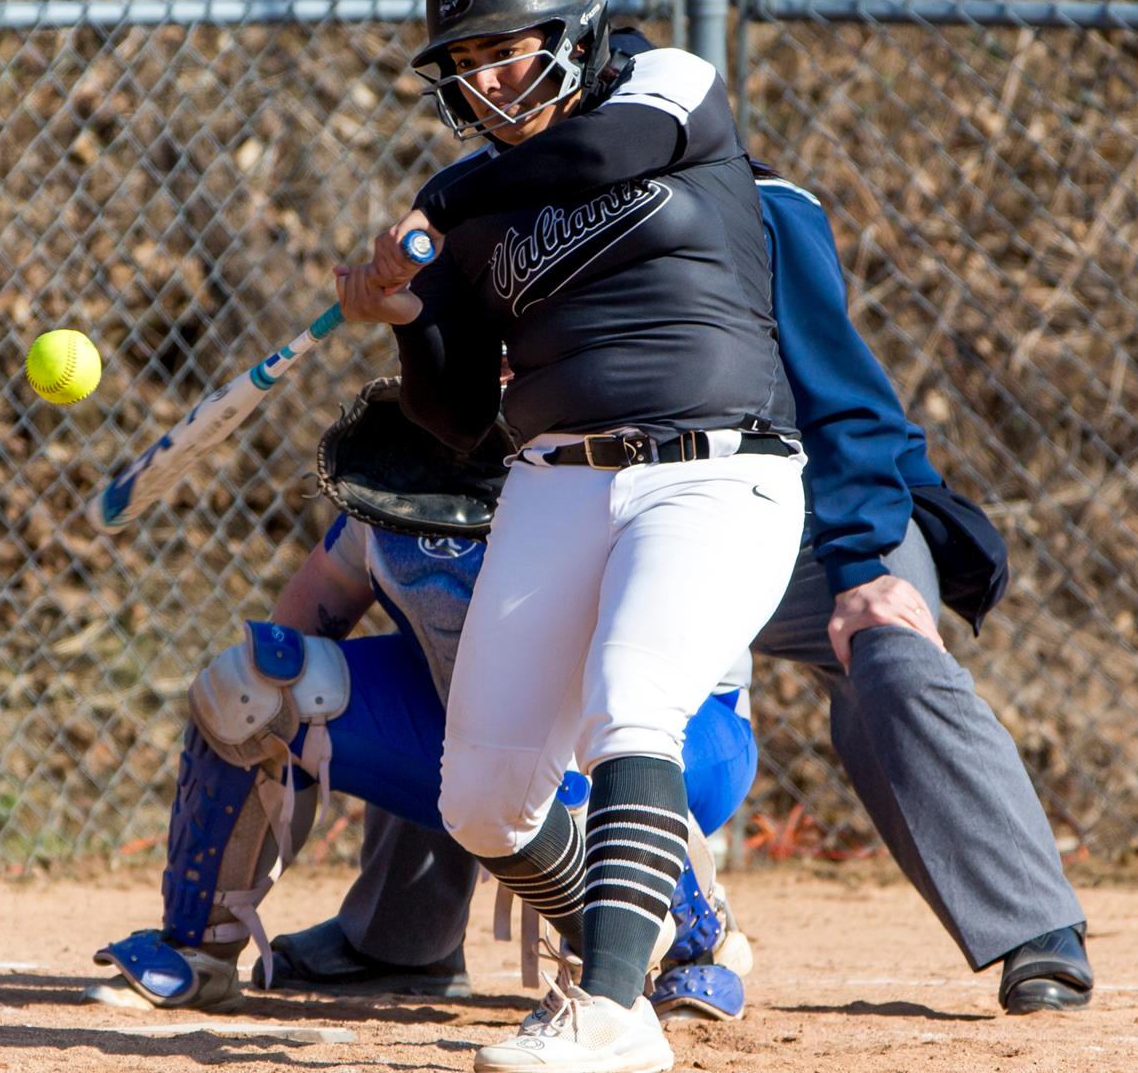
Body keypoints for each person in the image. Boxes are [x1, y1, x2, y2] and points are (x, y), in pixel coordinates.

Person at [264, 168, 1095, 1018]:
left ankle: (1034, 927)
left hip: (805, 507)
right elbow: (466, 394)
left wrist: (860, 567)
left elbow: (844, 397)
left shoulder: (757, 202)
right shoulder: (513, 207)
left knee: (886, 642)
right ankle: (399, 936)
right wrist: (414, 312)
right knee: (464, 618)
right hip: (609, 507)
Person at [336, 0, 814, 1071]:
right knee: (483, 797)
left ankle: (607, 1009)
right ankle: (657, 925)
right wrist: (408, 312)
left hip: (714, 469)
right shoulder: (477, 214)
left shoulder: (667, 85)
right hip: (555, 480)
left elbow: (604, 150)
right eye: (465, 63)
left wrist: (439, 198)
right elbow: (460, 413)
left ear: (574, 37)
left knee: (631, 701)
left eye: (505, 50)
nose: (485, 79)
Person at [92, 379, 758, 1022]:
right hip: (489, 730)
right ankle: (203, 949)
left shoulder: (611, 457)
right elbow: (291, 635)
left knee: (566, 749)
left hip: (683, 734)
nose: (495, 366)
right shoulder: (408, 480)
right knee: (249, 686)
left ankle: (695, 935)